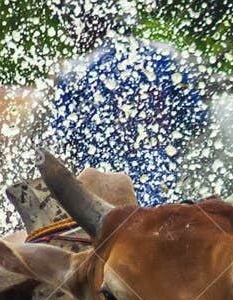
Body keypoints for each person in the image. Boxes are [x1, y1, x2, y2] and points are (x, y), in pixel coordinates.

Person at [46, 2, 210, 206]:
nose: (70, 32)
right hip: (161, 192)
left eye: (72, 25)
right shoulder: (165, 59)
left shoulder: (75, 73)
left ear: (87, 24)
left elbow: (63, 139)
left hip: (102, 205)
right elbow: (196, 120)